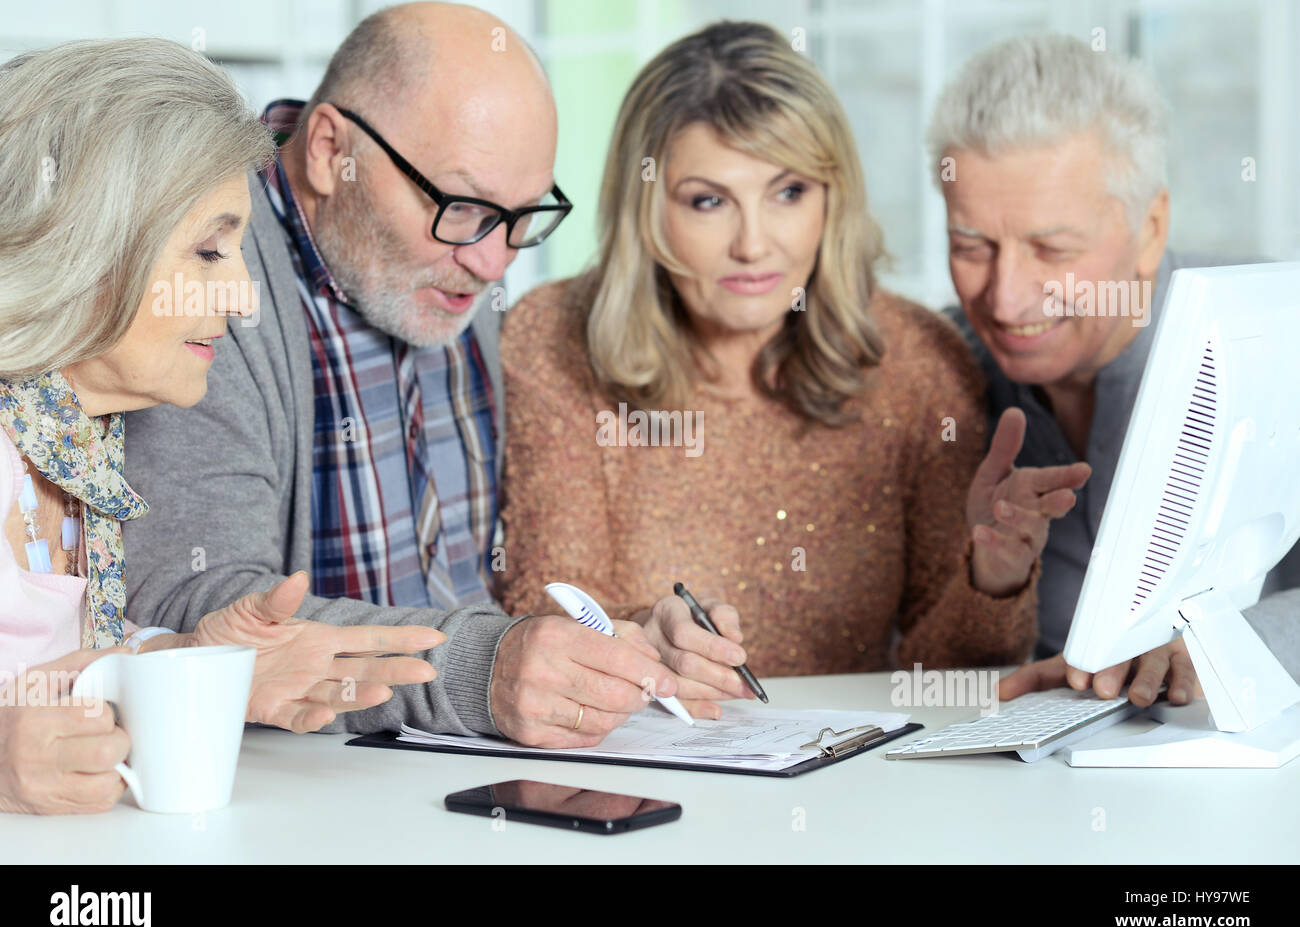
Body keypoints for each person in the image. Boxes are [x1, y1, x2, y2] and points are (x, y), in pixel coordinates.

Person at [122, 2, 694, 748]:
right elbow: (193, 607)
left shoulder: (454, 264)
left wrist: (608, 641)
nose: (494, 264)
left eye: (523, 217)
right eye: (460, 207)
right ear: (329, 149)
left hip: (470, 759)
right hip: (307, 784)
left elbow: (470, 593)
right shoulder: (211, 269)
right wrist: (477, 666)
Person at [495, 20, 1093, 716]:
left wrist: (993, 577)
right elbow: (545, 611)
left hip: (848, 778)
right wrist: (651, 633)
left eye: (788, 193)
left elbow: (944, 685)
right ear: (646, 207)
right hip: (628, 765)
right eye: (708, 201)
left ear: (831, 198)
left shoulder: (916, 358)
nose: (755, 244)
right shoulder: (553, 338)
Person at [0, 38, 446, 814]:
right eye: (210, 249)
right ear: (84, 242)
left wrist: (186, 657)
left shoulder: (79, 447)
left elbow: (42, 668)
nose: (243, 301)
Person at [925, 34, 1300, 704]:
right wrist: (992, 579)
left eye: (1052, 246)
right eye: (970, 245)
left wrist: (1227, 645)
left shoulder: (1271, 334)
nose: (1006, 298)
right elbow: (926, 672)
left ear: (1150, 229)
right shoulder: (942, 372)